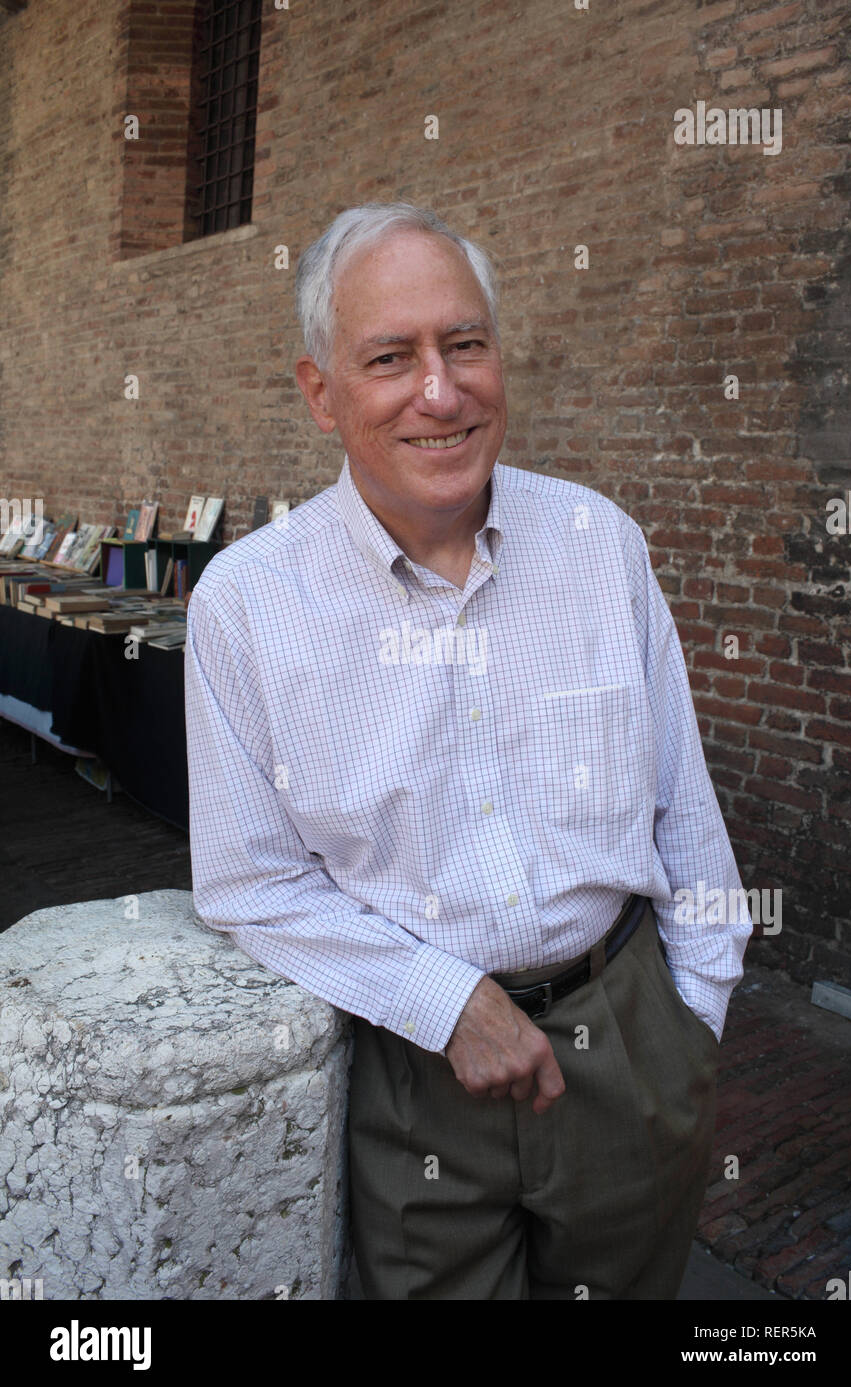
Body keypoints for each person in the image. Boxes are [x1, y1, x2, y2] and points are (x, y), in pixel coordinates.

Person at [184, 201, 753, 1300]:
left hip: (628, 1040)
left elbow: (682, 806)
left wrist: (690, 1021)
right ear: (320, 393)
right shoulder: (248, 605)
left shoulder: (599, 545)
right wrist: (446, 1000)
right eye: (389, 358)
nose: (438, 393)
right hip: (415, 1073)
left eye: (465, 345)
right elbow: (249, 879)